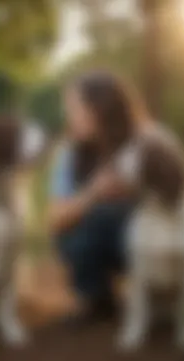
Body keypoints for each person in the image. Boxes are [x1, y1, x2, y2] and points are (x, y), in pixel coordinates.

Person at [48, 70, 148, 325]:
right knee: (76, 229)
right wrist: (93, 193)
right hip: (99, 238)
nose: (68, 116)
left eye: (74, 108)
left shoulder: (145, 145)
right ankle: (96, 298)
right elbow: (55, 219)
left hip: (146, 241)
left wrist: (133, 193)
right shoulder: (69, 154)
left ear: (99, 109)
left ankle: (157, 296)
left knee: (118, 215)